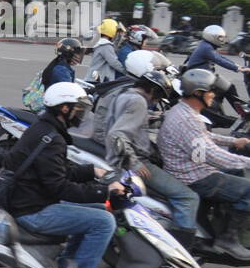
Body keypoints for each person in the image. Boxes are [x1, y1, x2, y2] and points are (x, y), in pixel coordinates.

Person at [2, 82, 123, 268]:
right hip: (32, 210)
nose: (82, 114)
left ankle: (67, 266)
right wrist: (105, 191)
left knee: (99, 210)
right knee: (104, 222)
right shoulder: (52, 138)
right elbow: (60, 187)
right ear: (64, 109)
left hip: (30, 199)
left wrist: (92, 171)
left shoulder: (45, 129)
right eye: (79, 109)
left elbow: (57, 171)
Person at [101, 67, 203, 251]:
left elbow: (132, 122)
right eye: (158, 97)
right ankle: (181, 251)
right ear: (154, 90)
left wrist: (159, 117)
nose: (156, 102)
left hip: (119, 158)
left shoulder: (126, 94)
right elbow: (117, 134)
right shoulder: (138, 101)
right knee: (188, 197)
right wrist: (135, 162)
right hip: (135, 163)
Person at [158, 69, 250, 254]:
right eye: (211, 91)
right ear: (198, 93)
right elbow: (212, 155)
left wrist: (234, 141)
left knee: (237, 173)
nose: (214, 95)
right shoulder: (187, 120)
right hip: (195, 176)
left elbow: (204, 137)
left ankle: (219, 218)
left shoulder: (184, 111)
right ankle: (228, 238)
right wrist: (247, 161)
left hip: (193, 166)